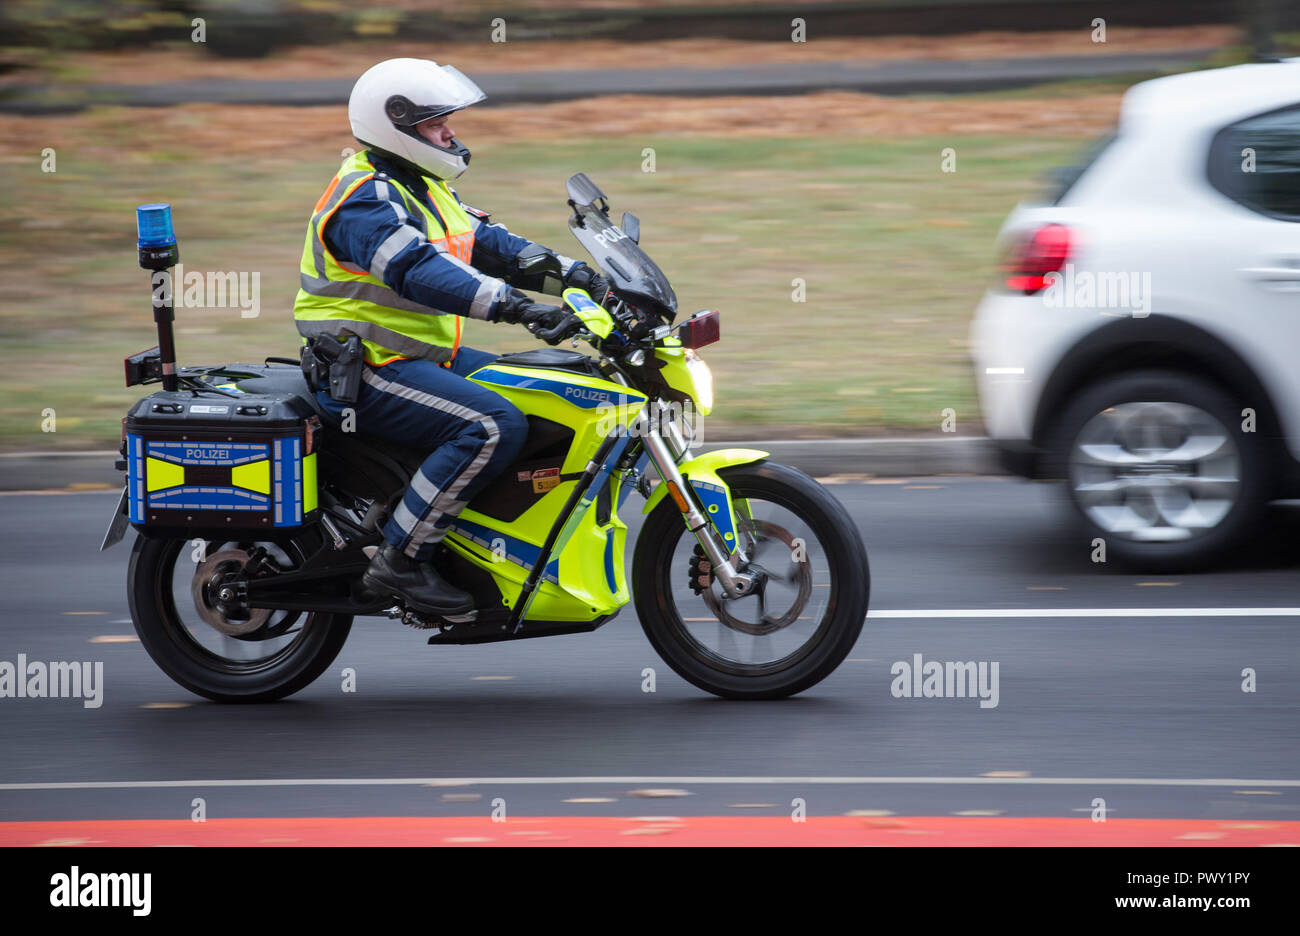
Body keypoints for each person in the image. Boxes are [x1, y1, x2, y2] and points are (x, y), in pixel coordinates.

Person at [293, 58, 609, 617]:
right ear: (399, 125)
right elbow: (418, 270)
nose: (451, 133)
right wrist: (516, 308)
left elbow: (493, 246)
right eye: (439, 124)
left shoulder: (422, 189)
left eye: (450, 122)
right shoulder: (363, 199)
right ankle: (403, 559)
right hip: (365, 368)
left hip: (417, 355)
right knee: (491, 425)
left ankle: (473, 542)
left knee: (548, 391)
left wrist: (581, 276)